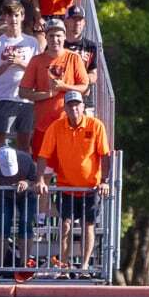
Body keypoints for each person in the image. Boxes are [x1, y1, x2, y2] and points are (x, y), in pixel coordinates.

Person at [31, 88, 110, 273]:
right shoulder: (56, 127)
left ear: (83, 106)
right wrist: (40, 179)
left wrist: (105, 180)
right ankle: (64, 267)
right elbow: (43, 155)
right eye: (70, 105)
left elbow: (105, 155)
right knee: (64, 225)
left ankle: (83, 266)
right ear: (65, 108)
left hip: (90, 188)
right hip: (65, 186)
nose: (74, 108)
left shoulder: (96, 125)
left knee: (87, 225)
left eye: (77, 104)